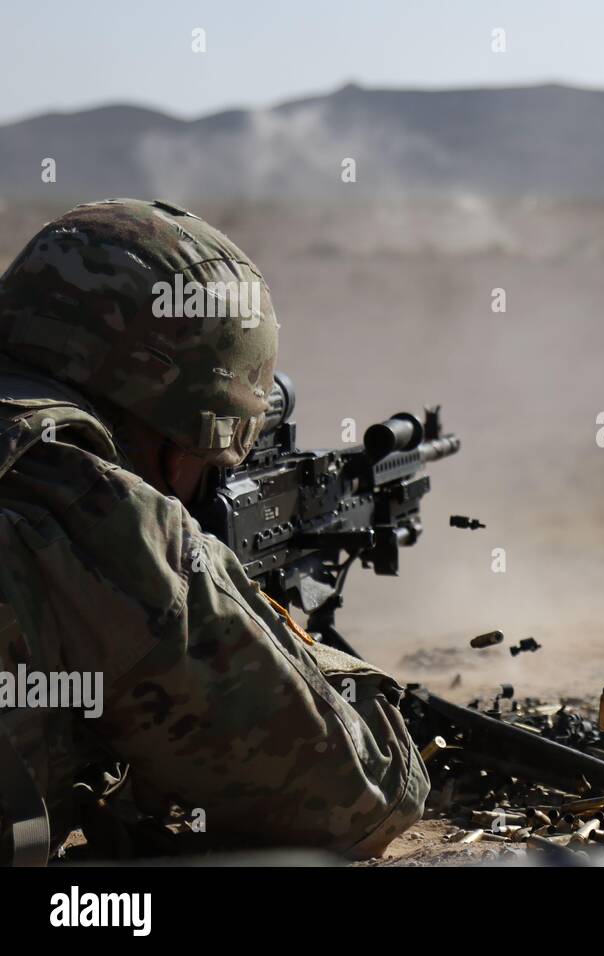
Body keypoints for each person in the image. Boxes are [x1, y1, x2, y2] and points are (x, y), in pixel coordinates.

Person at [0, 199, 430, 865]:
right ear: (181, 438)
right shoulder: (92, 506)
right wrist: (263, 620)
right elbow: (364, 799)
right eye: (216, 461)